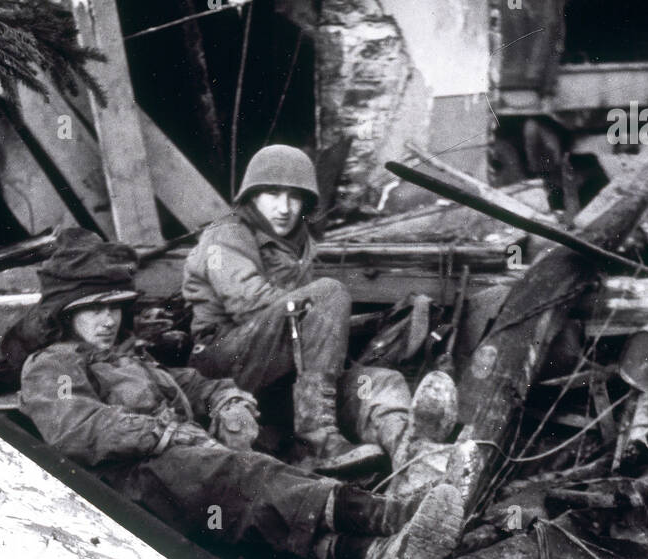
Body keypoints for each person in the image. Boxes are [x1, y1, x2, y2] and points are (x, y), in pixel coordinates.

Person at [8, 228, 466, 559]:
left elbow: (193, 382)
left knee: (254, 500)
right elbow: (78, 428)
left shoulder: (128, 356)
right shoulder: (51, 365)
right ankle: (389, 515)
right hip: (133, 490)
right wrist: (163, 434)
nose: (107, 320)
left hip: (182, 474)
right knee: (248, 476)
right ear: (65, 313)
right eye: (94, 309)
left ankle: (380, 558)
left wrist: (227, 399)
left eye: (115, 307)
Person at [183, 144, 459, 472]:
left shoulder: (299, 245)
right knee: (330, 293)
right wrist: (326, 310)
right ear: (252, 196)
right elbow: (249, 305)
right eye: (272, 193)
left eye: (294, 196)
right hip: (222, 366)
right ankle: (317, 440)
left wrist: (334, 323)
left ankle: (411, 456)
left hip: (283, 386)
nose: (284, 207)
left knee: (384, 382)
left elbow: (300, 324)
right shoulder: (226, 237)